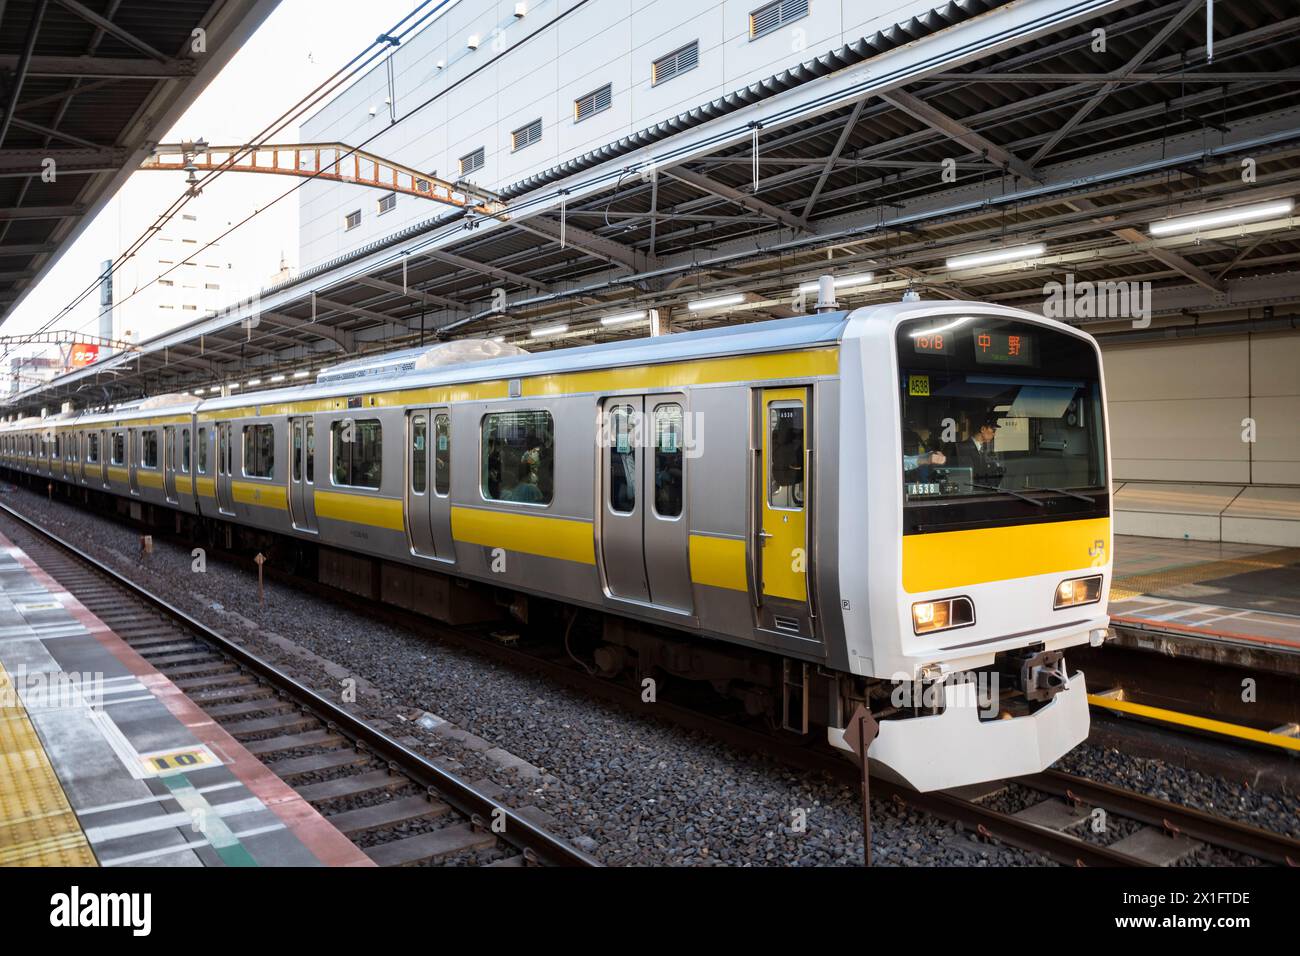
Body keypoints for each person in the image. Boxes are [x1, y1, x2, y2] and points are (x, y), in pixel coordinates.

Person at [954, 415, 1004, 482]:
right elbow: (966, 476)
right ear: (983, 429)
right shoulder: (963, 448)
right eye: (993, 430)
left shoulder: (988, 449)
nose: (994, 434)